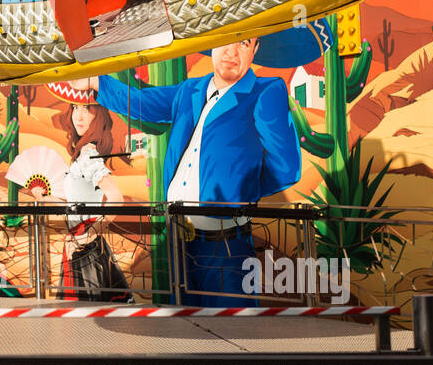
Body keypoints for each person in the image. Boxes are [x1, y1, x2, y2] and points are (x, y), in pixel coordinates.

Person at [85, 37, 301, 305]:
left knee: (233, 329)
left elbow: (286, 166)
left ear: (255, 49)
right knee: (187, 326)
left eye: (244, 43)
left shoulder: (265, 92)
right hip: (179, 240)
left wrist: (238, 192)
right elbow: (142, 102)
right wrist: (97, 83)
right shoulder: (190, 89)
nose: (231, 52)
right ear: (212, 42)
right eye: (226, 40)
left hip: (225, 245)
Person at [50, 81, 130, 302]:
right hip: (80, 243)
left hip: (85, 245)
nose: (79, 116)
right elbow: (77, 202)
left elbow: (116, 197)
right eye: (75, 107)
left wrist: (91, 231)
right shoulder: (82, 155)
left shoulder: (88, 153)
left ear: (99, 116)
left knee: (85, 314)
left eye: (87, 109)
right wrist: (45, 198)